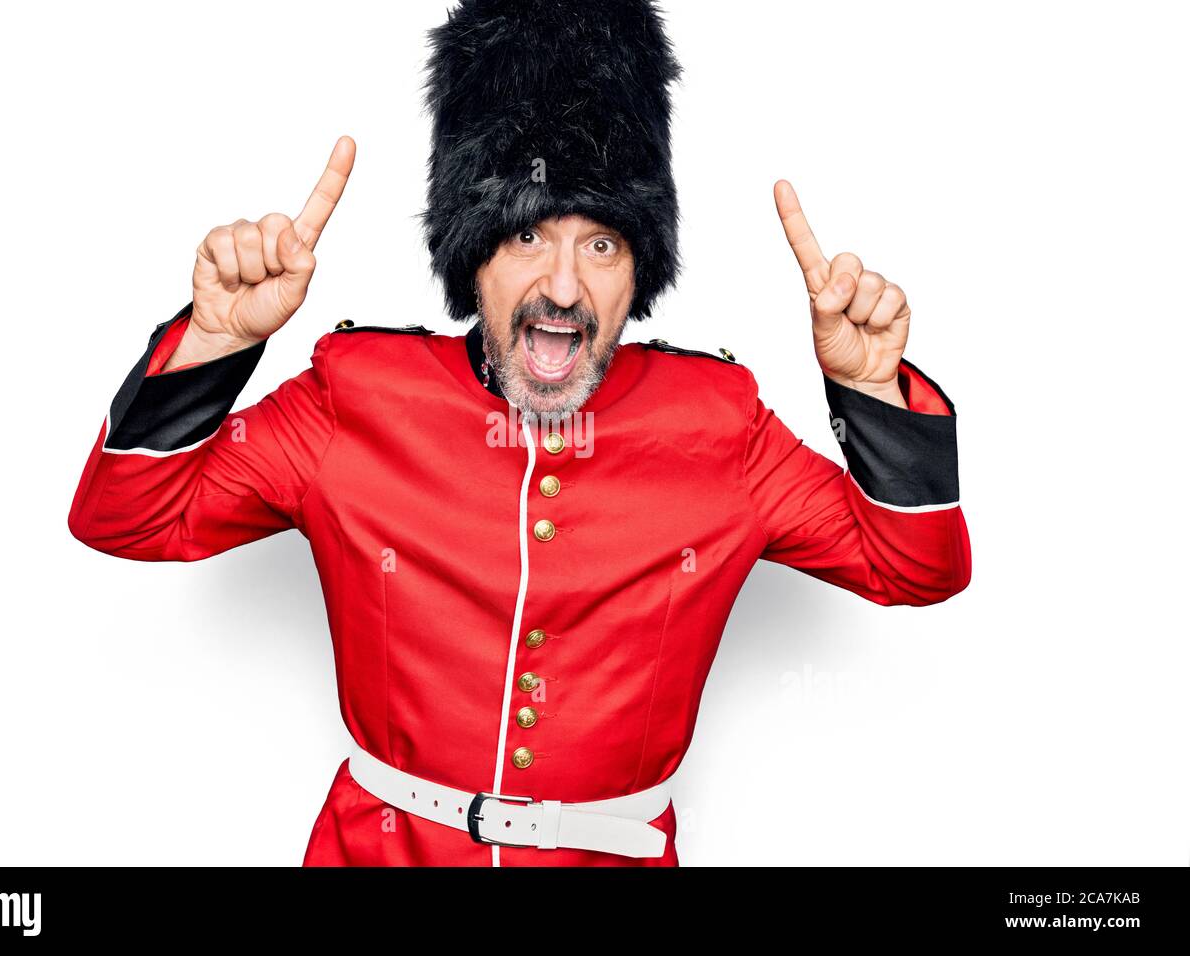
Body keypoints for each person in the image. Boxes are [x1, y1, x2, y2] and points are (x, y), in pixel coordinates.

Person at [68, 0, 970, 866]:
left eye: (604, 244)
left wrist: (869, 387)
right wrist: (220, 340)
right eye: (529, 235)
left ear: (640, 268)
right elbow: (127, 519)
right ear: (475, 253)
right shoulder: (355, 396)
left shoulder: (719, 422)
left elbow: (915, 569)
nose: (567, 289)